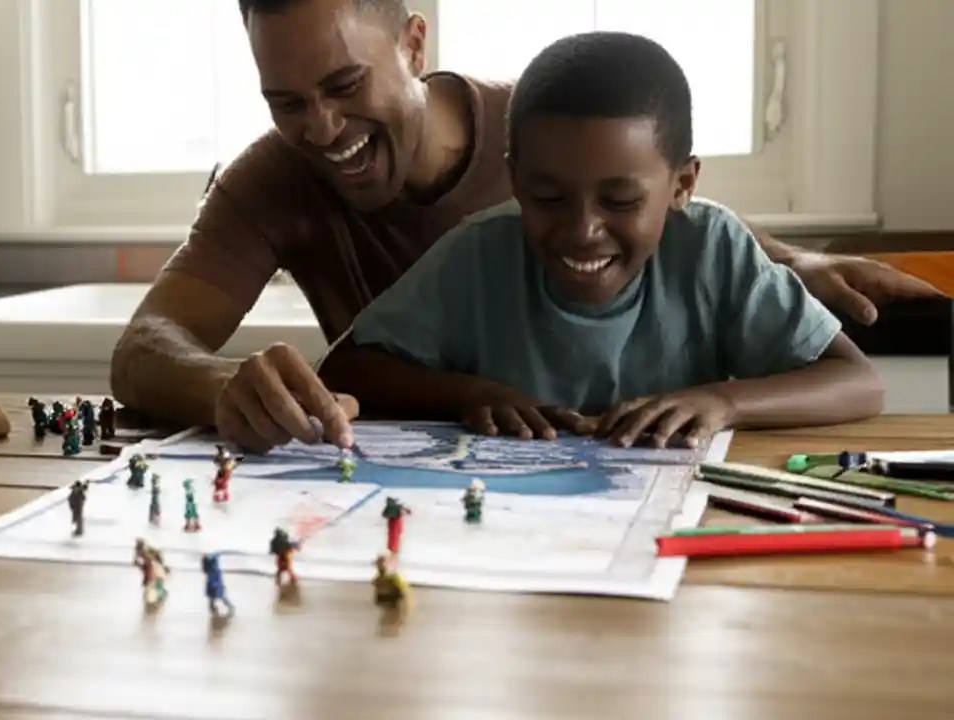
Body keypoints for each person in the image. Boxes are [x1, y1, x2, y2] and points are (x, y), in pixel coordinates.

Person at [110, 0, 937, 453]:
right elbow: (147, 348)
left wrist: (792, 266)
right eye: (286, 102)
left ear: (412, 42)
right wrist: (231, 389)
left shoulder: (542, 121)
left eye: (345, 83)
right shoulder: (275, 182)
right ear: (521, 177)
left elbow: (663, 216)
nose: (321, 129)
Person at [318, 32, 885, 448]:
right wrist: (468, 394)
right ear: (514, 179)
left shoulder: (712, 251)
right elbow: (343, 370)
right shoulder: (478, 255)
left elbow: (858, 381)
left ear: (682, 184)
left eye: (620, 201)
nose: (582, 230)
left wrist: (722, 402)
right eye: (547, 196)